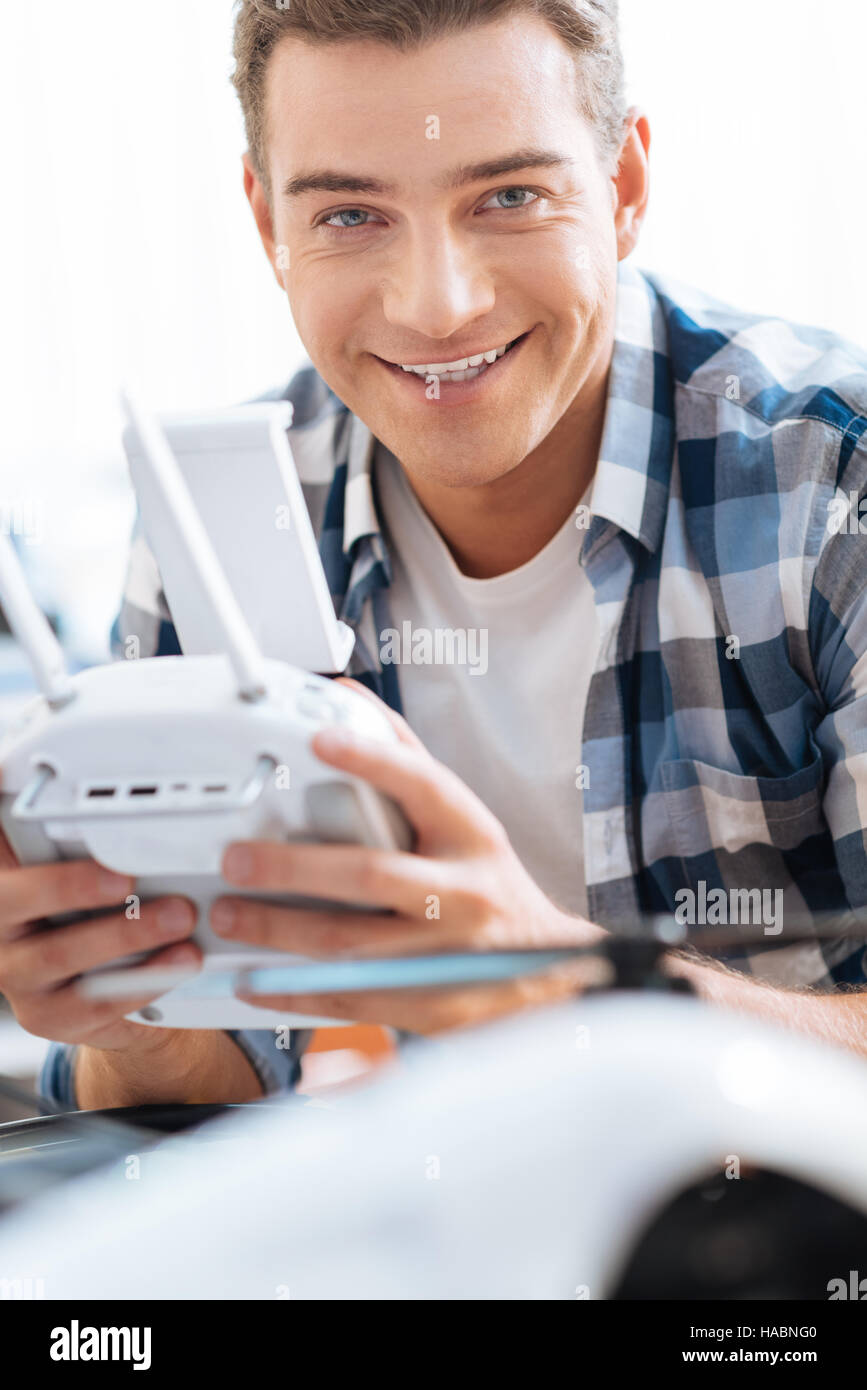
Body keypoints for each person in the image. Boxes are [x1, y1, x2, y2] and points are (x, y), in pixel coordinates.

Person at [2, 0, 866, 1111]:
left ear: (626, 187)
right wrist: (142, 1023)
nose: (438, 305)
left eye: (509, 196)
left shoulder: (830, 480)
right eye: (351, 215)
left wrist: (552, 984)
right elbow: (224, 1100)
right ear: (268, 220)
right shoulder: (213, 529)